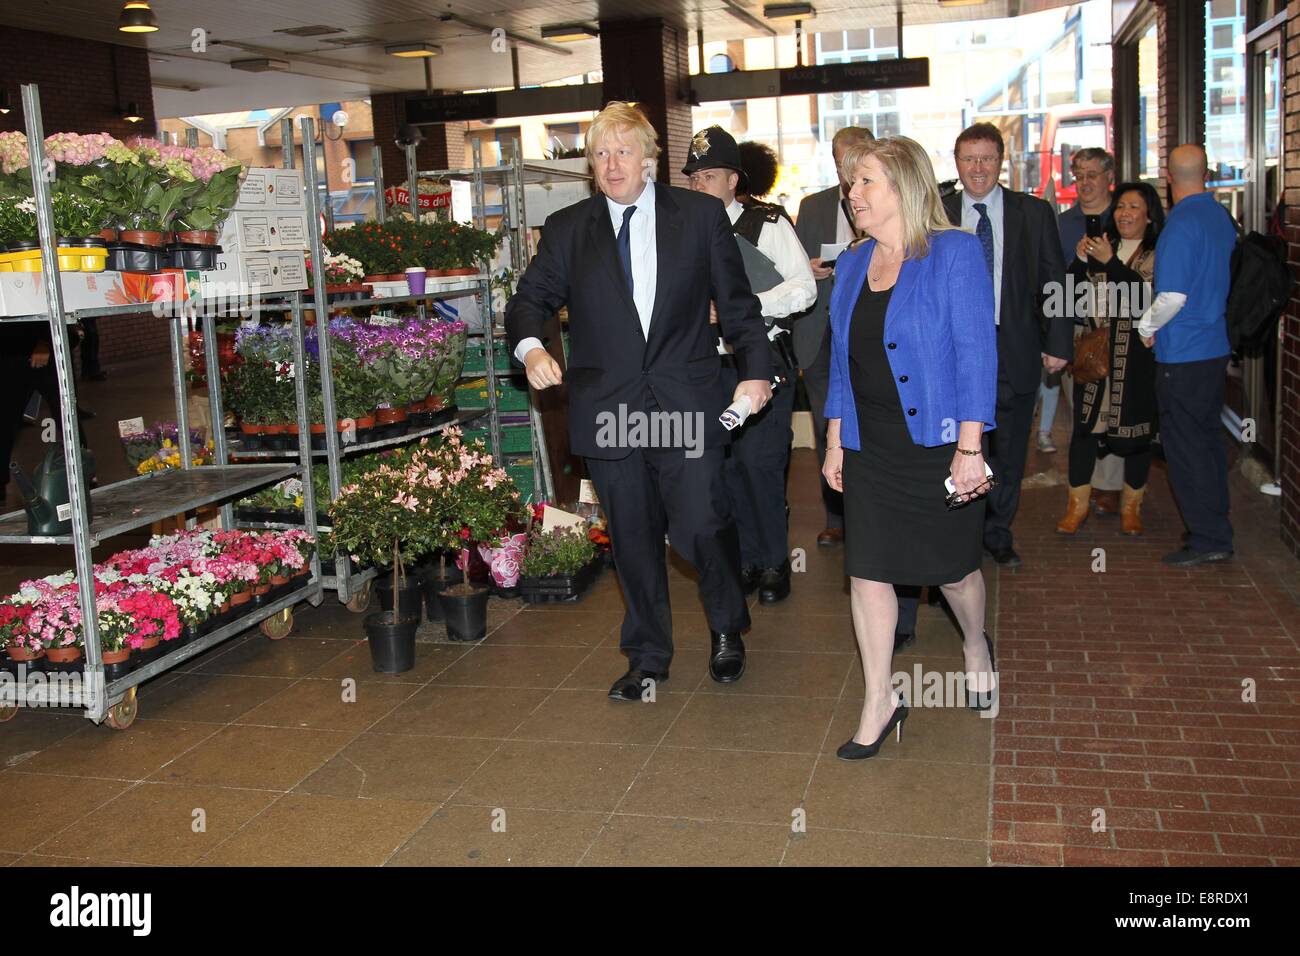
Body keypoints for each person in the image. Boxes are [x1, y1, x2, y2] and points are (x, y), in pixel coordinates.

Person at [506, 102, 773, 700]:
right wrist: (530, 348)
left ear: (649, 159)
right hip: (611, 408)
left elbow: (738, 305)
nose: (611, 164)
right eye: (600, 154)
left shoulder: (701, 217)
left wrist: (755, 372)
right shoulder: (569, 229)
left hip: (686, 401)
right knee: (631, 534)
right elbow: (529, 301)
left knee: (702, 523)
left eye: (623, 151)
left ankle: (728, 624)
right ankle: (647, 654)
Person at [822, 135, 998, 760]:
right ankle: (880, 699)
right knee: (866, 571)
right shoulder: (851, 264)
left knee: (952, 571)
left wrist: (971, 448)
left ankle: (975, 643)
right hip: (871, 443)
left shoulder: (952, 253)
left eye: (866, 180)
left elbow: (978, 353)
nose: (854, 192)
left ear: (904, 186)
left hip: (939, 444)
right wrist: (836, 439)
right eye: (851, 183)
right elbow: (842, 365)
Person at [683, 126, 816, 603]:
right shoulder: (682, 230)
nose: (699, 186)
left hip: (761, 363)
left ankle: (775, 562)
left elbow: (804, 288)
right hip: (705, 367)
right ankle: (743, 559)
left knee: (761, 463)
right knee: (723, 469)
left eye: (709, 177)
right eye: (693, 178)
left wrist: (745, 306)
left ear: (734, 181)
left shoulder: (767, 224)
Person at [942, 122, 1071, 569]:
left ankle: (998, 532)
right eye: (969, 158)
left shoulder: (1032, 214)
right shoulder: (935, 211)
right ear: (956, 162)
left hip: (1012, 348)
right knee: (958, 444)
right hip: (951, 354)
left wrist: (1058, 341)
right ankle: (961, 532)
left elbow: (1055, 281)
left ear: (1002, 162)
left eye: (987, 159)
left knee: (1010, 449)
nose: (978, 168)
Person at [1137, 144, 1236, 566]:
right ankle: (1217, 526)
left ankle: (1207, 537)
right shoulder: (1220, 217)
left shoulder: (1179, 226)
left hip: (1183, 355)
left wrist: (1146, 326)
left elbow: (1173, 295)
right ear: (1207, 174)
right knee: (1209, 442)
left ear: (1169, 179)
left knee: (1185, 448)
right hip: (1214, 348)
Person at [1055, 181, 1163, 536]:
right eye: (1120, 207)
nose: (1125, 213)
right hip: (1096, 356)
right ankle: (1077, 506)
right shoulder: (1102, 247)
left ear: (1149, 216)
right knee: (1085, 432)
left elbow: (1144, 302)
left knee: (1135, 435)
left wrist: (1110, 263)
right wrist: (1080, 261)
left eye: (1134, 207)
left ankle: (1132, 508)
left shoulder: (1158, 252)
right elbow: (1066, 297)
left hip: (1137, 360)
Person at [793, 126, 874, 549]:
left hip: (869, 329)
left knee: (873, 421)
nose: (846, 169)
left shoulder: (884, 199)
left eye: (854, 157)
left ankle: (872, 510)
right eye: (839, 158)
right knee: (830, 424)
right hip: (820, 330)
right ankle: (836, 516)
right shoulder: (813, 206)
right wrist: (809, 267)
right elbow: (795, 268)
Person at [1055, 147, 1124, 512]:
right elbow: (1055, 283)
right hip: (1079, 332)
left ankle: (1109, 485)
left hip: (1116, 331)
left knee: (1113, 410)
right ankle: (1081, 487)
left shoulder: (1125, 216)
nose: (1084, 182)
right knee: (1083, 415)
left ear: (1108, 177)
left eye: (1092, 174)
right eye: (1078, 175)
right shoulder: (1065, 224)